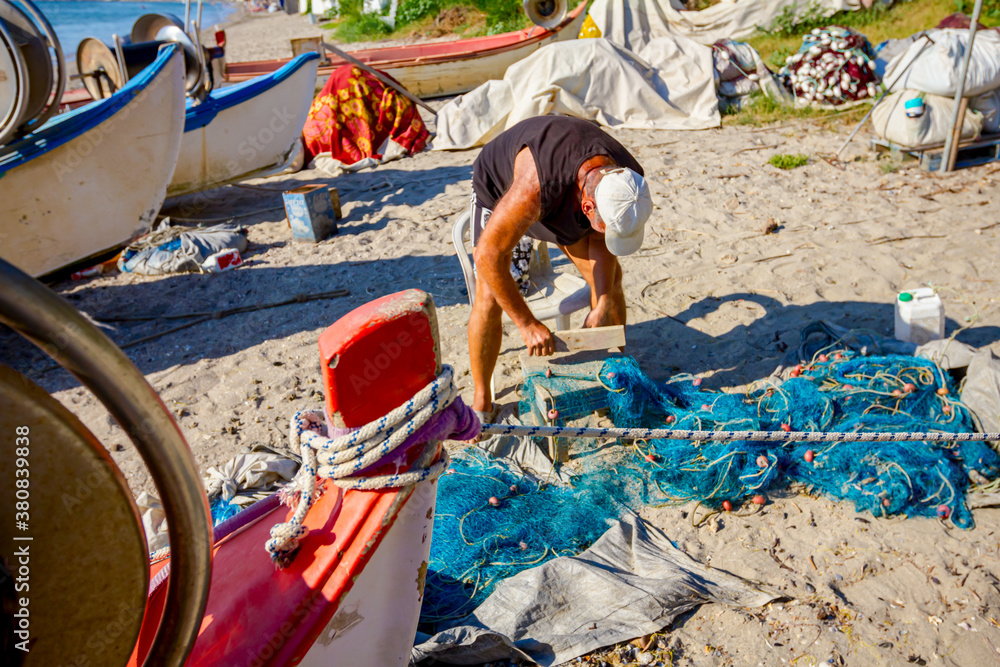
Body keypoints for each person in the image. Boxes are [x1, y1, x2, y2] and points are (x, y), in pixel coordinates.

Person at [468, 115, 652, 421]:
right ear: (588, 208)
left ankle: (618, 373)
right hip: (501, 186)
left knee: (610, 281)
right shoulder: (534, 188)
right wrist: (527, 324)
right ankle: (482, 399)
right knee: (488, 298)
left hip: (564, 194)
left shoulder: (628, 181)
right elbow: (488, 257)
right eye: (609, 228)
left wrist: (603, 299)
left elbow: (599, 239)